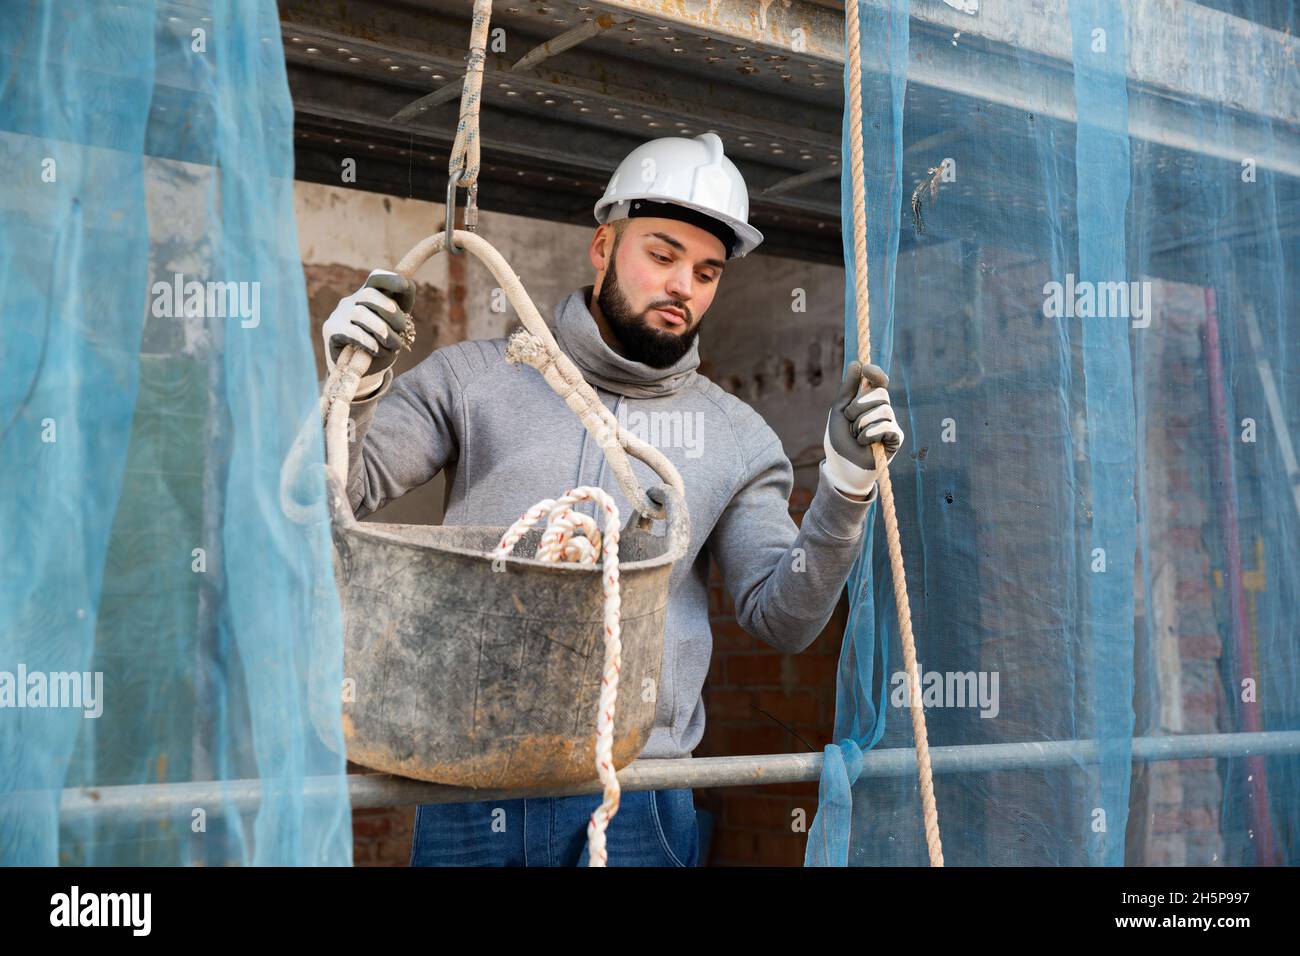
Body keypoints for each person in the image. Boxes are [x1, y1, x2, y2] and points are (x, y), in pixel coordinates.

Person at [322, 132, 904, 866]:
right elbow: (340, 492)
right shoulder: (474, 381)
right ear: (603, 246)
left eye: (706, 271)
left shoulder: (737, 436)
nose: (682, 287)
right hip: (467, 792)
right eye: (661, 255)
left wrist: (846, 488)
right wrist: (355, 386)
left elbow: (782, 619)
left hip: (638, 801)